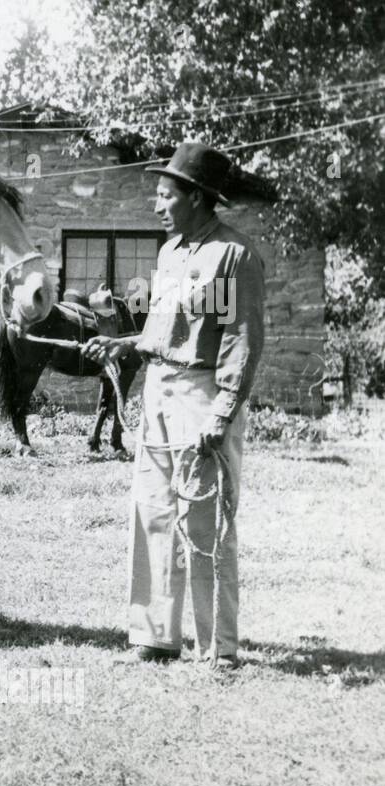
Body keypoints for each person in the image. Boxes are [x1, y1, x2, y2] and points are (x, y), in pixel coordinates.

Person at [81, 142, 265, 671]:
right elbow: (167, 328)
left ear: (198, 198)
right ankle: (156, 635)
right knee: (153, 513)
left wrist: (222, 412)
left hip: (201, 397)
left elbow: (242, 340)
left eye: (166, 195)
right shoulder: (170, 254)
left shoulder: (235, 254)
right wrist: (128, 343)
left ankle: (217, 649)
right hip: (158, 391)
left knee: (204, 520)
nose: (157, 206)